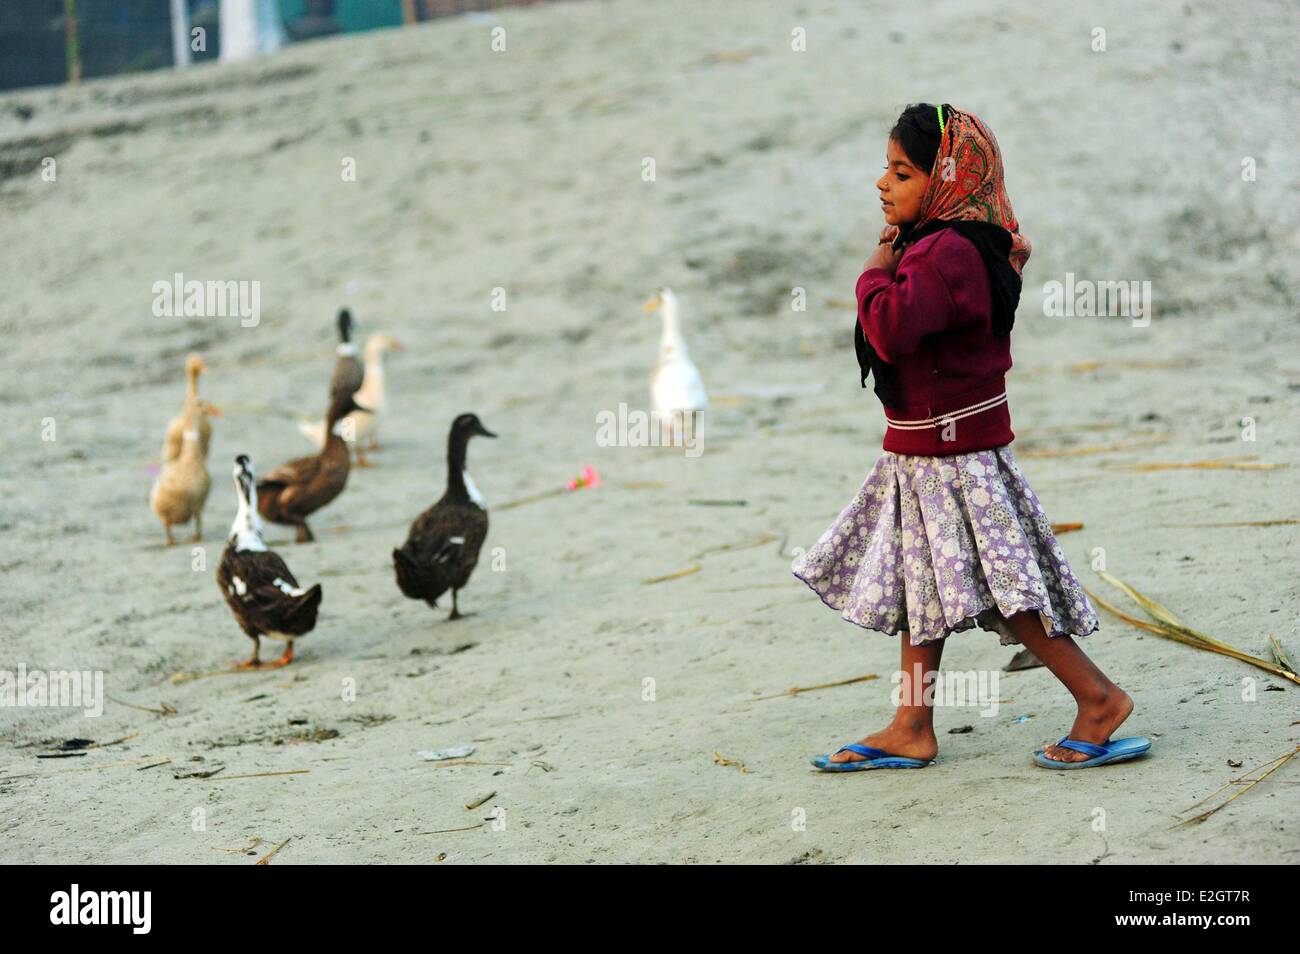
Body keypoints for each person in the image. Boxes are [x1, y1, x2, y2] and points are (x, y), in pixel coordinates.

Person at [793, 103, 1150, 771]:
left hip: (951, 458)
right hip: (930, 452)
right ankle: (911, 723)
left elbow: (893, 328)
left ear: (948, 179)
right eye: (886, 169)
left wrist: (873, 269)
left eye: (901, 171)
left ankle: (1098, 697)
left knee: (1004, 592)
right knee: (919, 585)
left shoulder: (944, 253)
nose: (883, 183)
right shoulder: (963, 244)